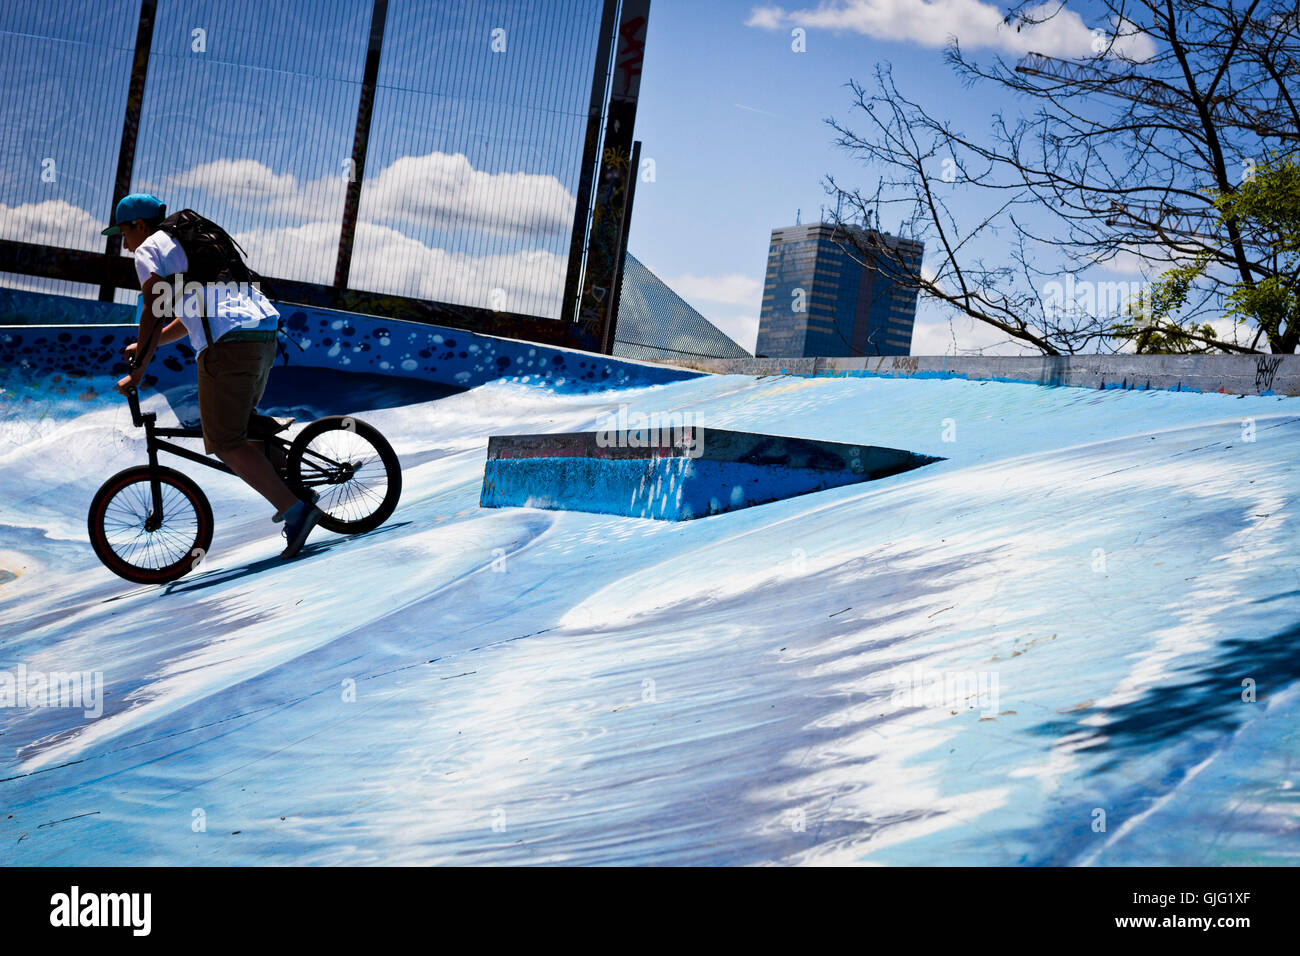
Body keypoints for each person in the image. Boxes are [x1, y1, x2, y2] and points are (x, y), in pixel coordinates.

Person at [106, 193, 322, 559]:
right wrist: (149, 345)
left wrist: (138, 370)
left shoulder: (149, 250)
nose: (125, 246)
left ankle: (298, 511)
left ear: (139, 225)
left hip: (229, 343)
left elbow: (152, 310)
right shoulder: (187, 243)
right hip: (262, 330)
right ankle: (297, 487)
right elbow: (184, 313)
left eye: (123, 235)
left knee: (224, 441)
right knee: (243, 430)